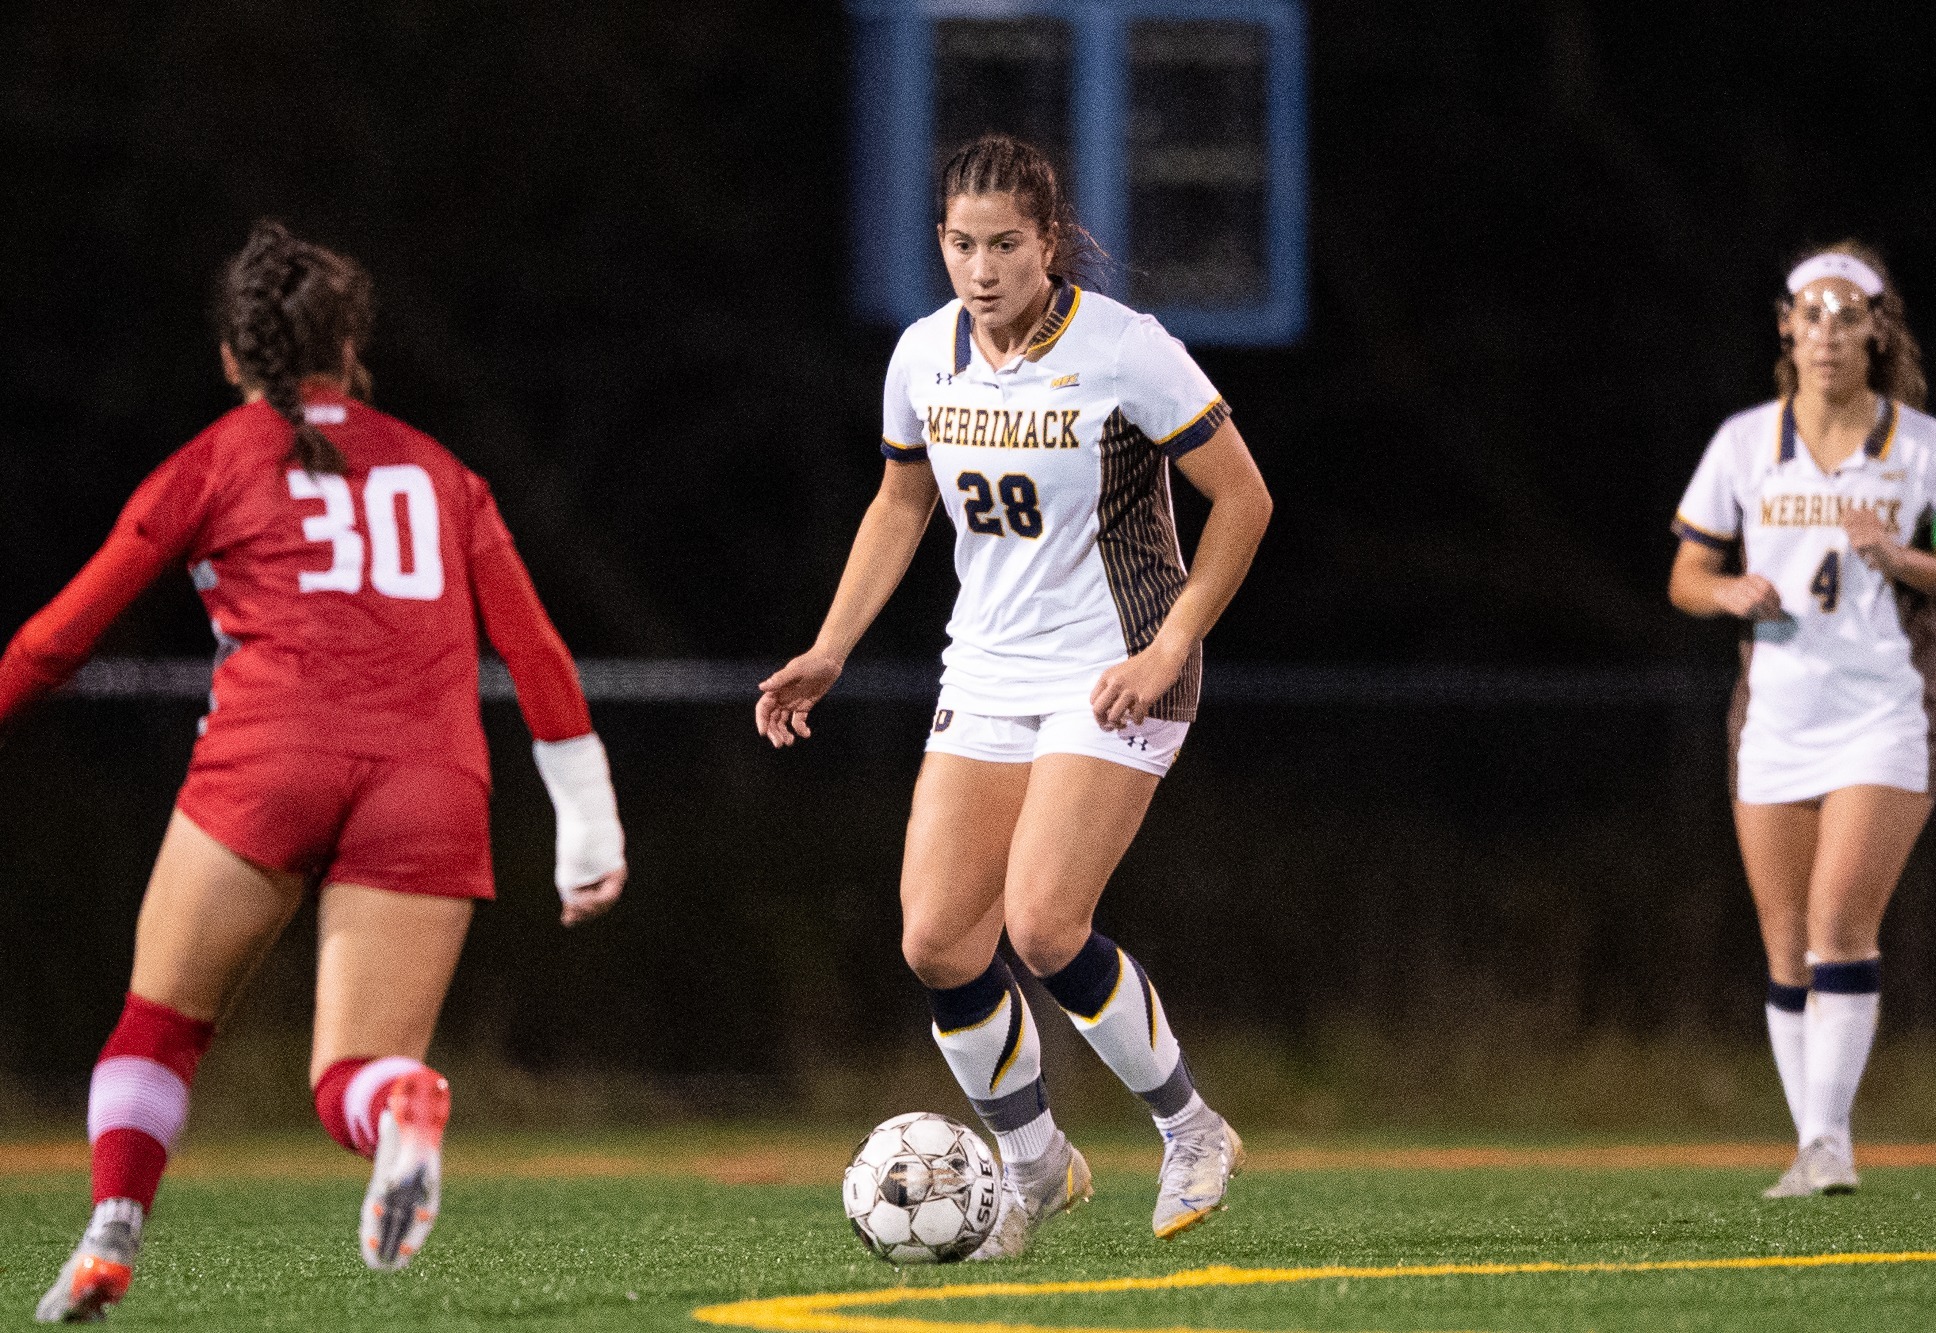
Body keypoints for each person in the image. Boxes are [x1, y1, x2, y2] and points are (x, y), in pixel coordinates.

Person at [0, 221, 628, 1322]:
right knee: (353, 1072)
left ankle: (110, 1232)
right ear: (352, 343)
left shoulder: (213, 459)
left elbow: (55, 641)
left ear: (236, 356)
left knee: (162, 1023)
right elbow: (535, 652)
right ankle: (403, 1107)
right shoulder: (441, 470)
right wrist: (588, 822)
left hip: (268, 762)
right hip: (431, 779)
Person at [757, 134, 1272, 1256]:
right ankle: (1036, 1165)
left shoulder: (1125, 349)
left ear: (1050, 242)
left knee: (1042, 923)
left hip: (1118, 666)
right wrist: (830, 647)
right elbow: (900, 505)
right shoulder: (921, 355)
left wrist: (1168, 643)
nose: (980, 268)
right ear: (937, 242)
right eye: (959, 244)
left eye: (1004, 245)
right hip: (987, 671)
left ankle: (1189, 1128)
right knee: (938, 939)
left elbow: (1244, 501)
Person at [1668, 241, 1936, 1197]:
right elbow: (1686, 575)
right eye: (1809, 314)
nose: (1826, 332)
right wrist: (1728, 595)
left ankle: (1829, 1142)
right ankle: (1815, 1142)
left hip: (1884, 712)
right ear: (1786, 326)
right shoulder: (1742, 442)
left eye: (1847, 314)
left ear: (1877, 329)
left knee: (1838, 921)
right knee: (1784, 942)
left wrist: (1899, 555)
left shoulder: (1928, 449)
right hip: (1776, 713)